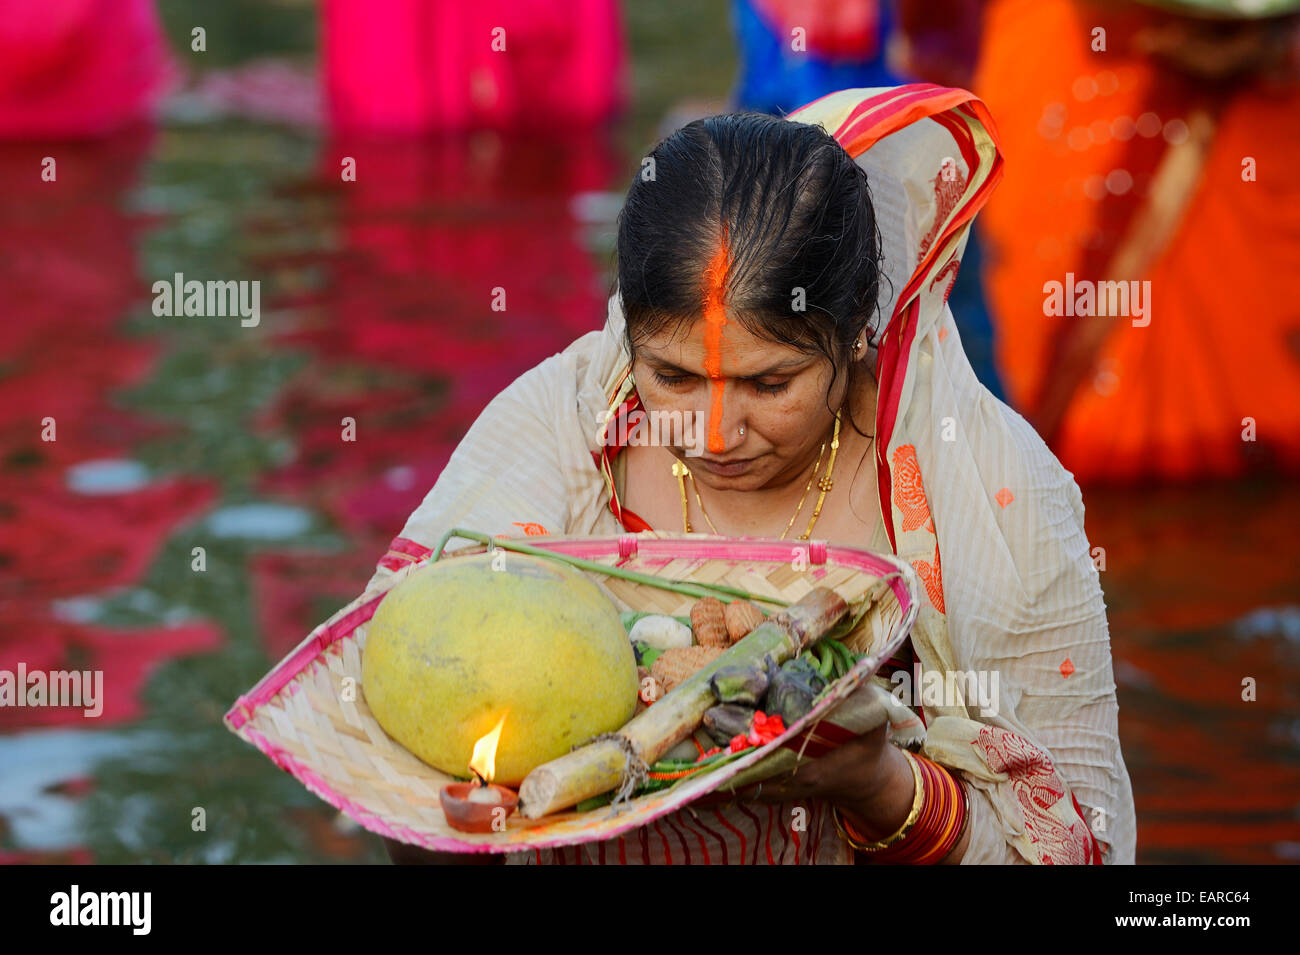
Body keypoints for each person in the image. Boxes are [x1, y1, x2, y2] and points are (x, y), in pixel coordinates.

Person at [368, 84, 1137, 864]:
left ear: (858, 333)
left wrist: (877, 783)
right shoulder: (561, 436)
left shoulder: (978, 488)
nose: (712, 435)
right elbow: (394, 760)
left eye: (770, 385)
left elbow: (1075, 845)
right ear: (626, 330)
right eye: (670, 375)